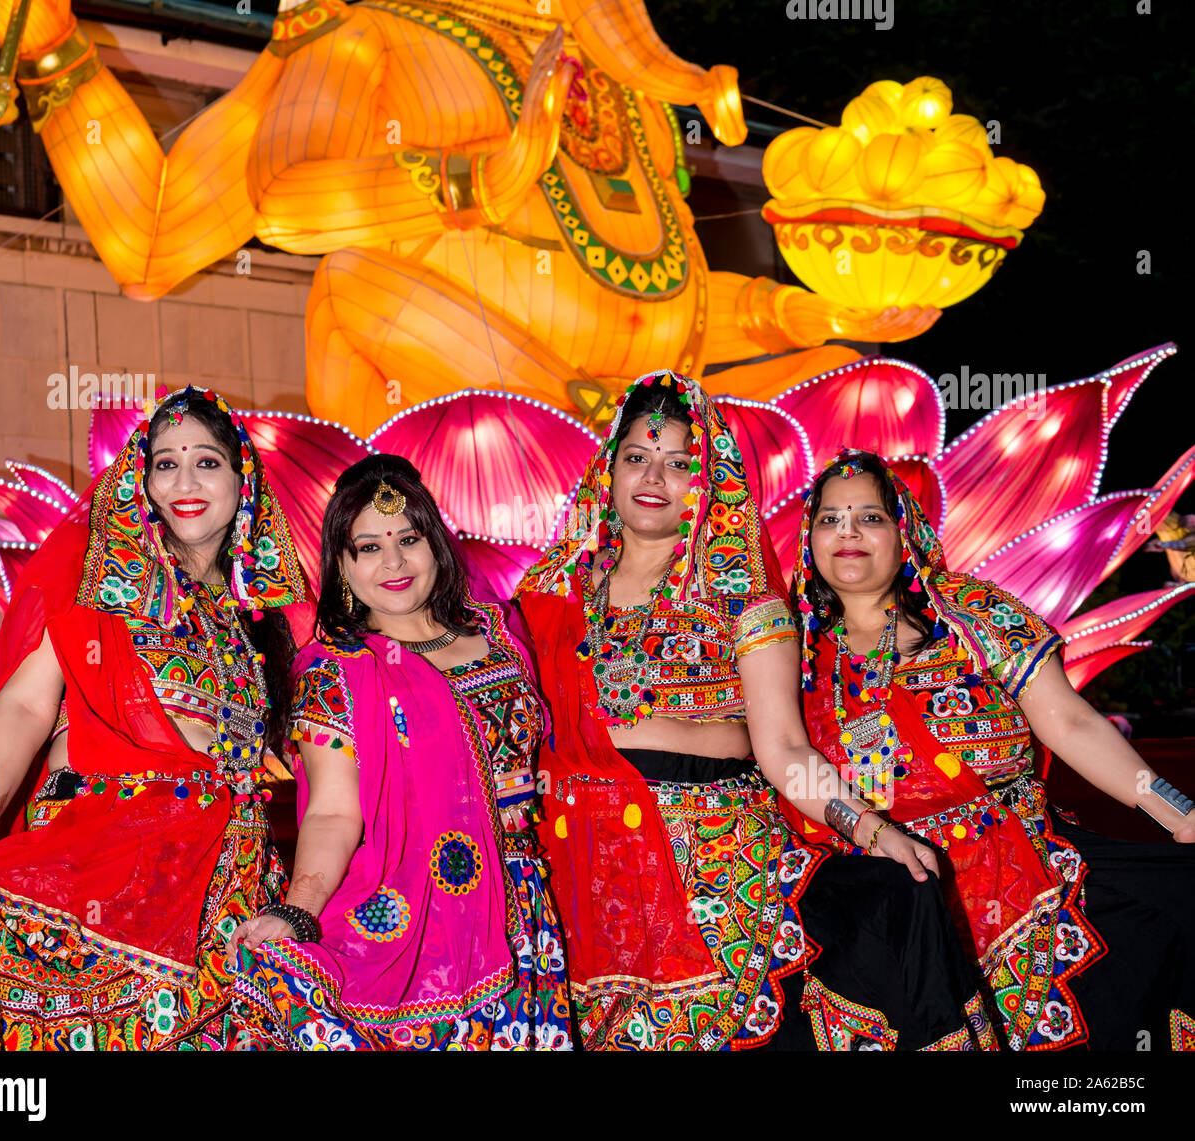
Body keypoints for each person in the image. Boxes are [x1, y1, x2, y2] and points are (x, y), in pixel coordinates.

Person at [513, 370, 993, 1050]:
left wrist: (871, 829)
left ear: (708, 482)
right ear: (608, 470)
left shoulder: (743, 598)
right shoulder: (546, 594)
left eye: (680, 462)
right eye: (638, 457)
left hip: (712, 876)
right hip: (578, 879)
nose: (655, 476)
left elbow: (782, 750)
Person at [0, 387, 306, 1051]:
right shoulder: (100, 586)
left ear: (244, 481)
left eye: (207, 462)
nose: (186, 481)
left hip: (228, 896)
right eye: (165, 463)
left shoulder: (261, 627)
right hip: (109, 872)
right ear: (140, 483)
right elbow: (28, 703)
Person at [790, 447, 1195, 1050]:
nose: (848, 533)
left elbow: (1070, 723)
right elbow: (781, 764)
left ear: (906, 532)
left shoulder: (972, 614)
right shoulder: (789, 651)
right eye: (830, 518)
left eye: (870, 517)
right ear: (808, 537)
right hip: (889, 890)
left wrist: (1180, 813)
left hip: (1031, 870)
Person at [223, 455, 573, 1050]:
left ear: (436, 543)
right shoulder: (336, 673)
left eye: (408, 539)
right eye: (367, 547)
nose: (393, 562)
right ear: (341, 566)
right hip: (416, 913)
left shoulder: (502, 639)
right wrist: (299, 911)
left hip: (525, 910)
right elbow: (332, 812)